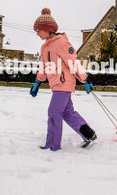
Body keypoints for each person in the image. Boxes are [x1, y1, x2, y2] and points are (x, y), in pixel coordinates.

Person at [30, 8, 96, 151]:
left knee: (54, 112)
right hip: (56, 85)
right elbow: (44, 66)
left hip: (63, 83)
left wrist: (85, 79)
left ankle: (52, 145)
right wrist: (38, 81)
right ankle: (89, 134)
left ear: (48, 30)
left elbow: (73, 62)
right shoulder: (45, 47)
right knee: (67, 113)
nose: (37, 33)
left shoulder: (61, 43)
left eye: (39, 30)